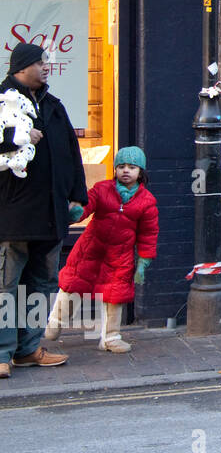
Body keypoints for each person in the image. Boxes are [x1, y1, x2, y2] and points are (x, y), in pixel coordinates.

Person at [0, 43, 89, 377]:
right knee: (7, 287)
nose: (46, 66)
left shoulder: (53, 106)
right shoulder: (3, 103)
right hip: (13, 212)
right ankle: (3, 353)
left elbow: (70, 151)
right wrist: (19, 139)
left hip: (52, 212)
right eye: (39, 62)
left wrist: (78, 196)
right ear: (21, 67)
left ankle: (28, 349)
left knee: (42, 285)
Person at [45, 146, 158, 354]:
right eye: (121, 166)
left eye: (132, 167)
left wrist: (143, 261)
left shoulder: (147, 202)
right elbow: (88, 204)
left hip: (119, 256)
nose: (126, 171)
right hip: (90, 249)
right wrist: (77, 212)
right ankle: (56, 322)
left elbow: (148, 234)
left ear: (140, 172)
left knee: (115, 295)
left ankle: (110, 337)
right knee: (71, 286)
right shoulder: (102, 188)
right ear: (114, 169)